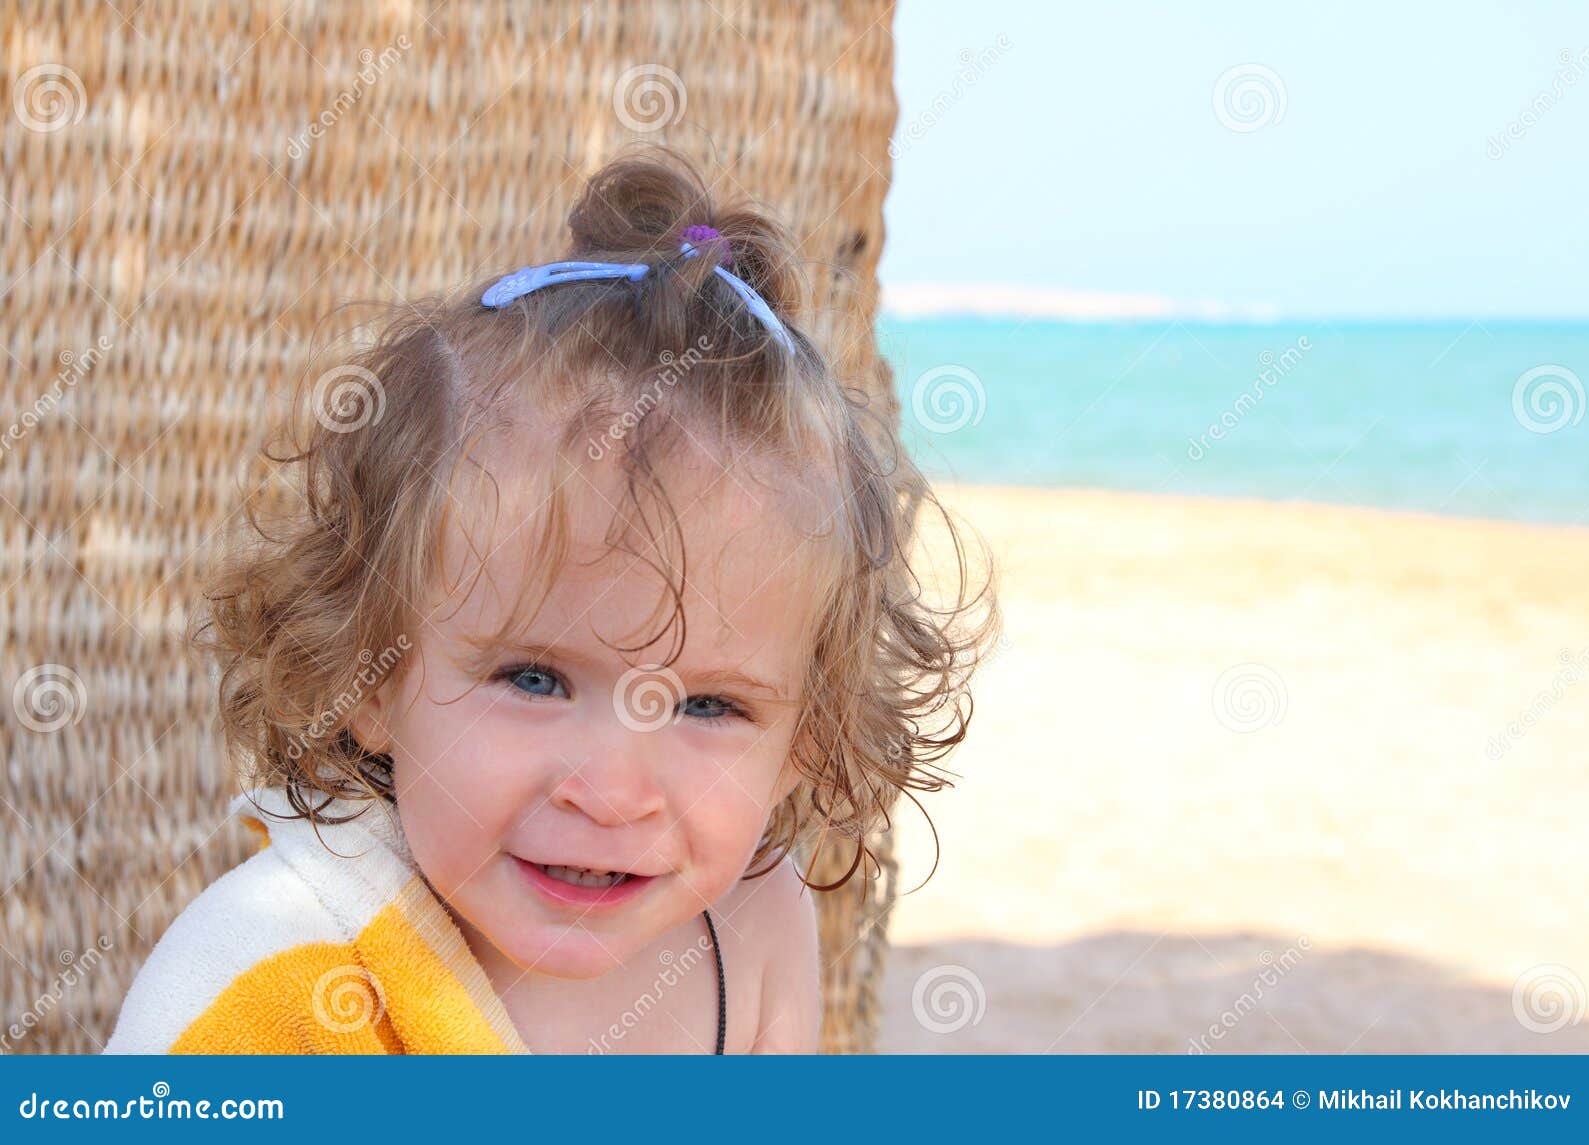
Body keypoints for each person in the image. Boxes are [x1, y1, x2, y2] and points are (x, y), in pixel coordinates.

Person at [104, 147, 998, 1054]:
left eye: (709, 704)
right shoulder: (275, 976)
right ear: (370, 674)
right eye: (533, 679)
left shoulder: (754, 927)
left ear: (808, 738)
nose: (611, 793)